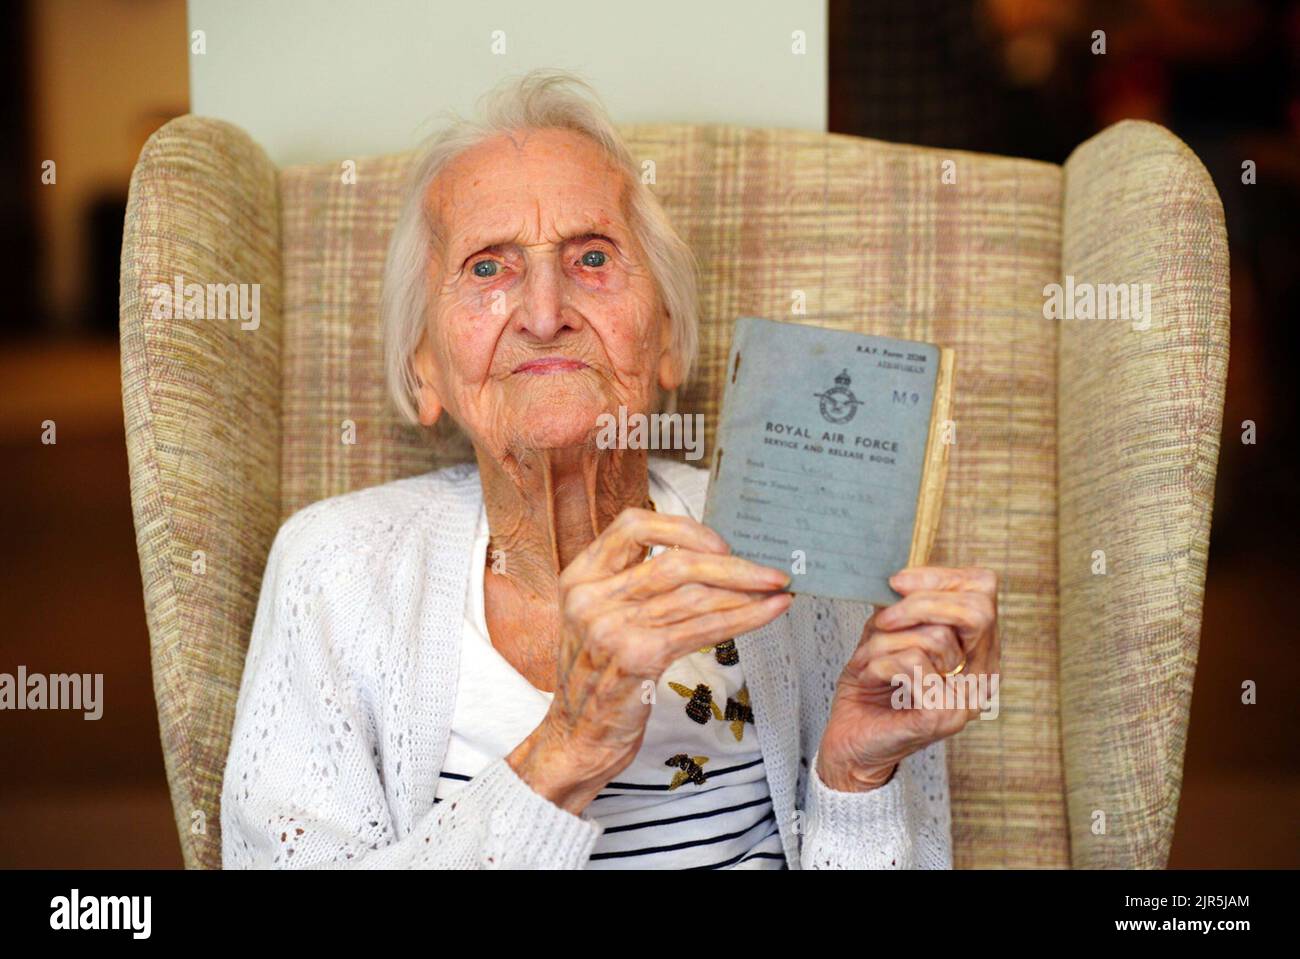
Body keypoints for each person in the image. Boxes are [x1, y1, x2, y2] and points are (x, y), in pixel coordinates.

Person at [220, 69, 999, 869]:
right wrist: (568, 746)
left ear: (666, 339)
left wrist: (856, 778)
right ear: (424, 367)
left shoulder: (789, 553)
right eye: (488, 267)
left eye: (592, 256)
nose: (546, 311)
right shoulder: (337, 568)